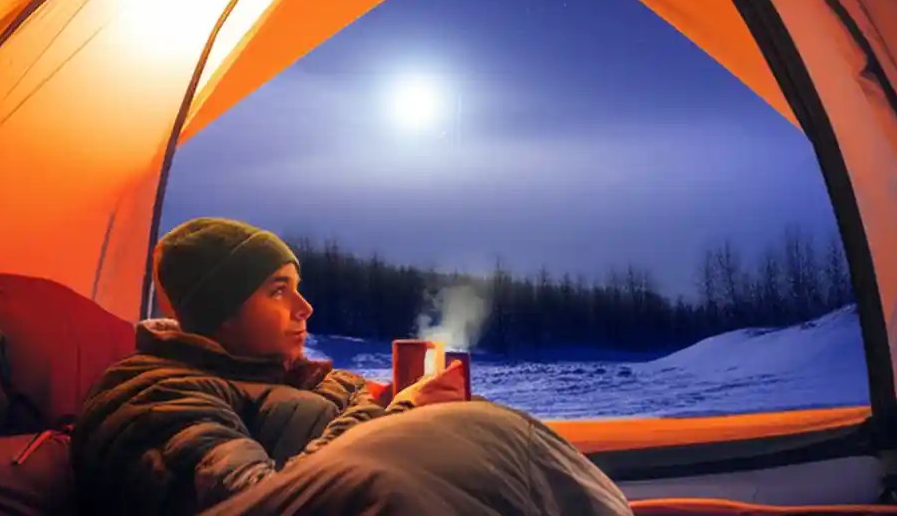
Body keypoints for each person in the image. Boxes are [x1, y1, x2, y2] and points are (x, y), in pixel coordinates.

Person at [71, 217, 632, 516]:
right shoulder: (155, 394)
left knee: (502, 433)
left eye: (300, 288)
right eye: (278, 290)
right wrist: (390, 416)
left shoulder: (304, 378)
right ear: (220, 311)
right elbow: (253, 499)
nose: (305, 308)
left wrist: (413, 405)